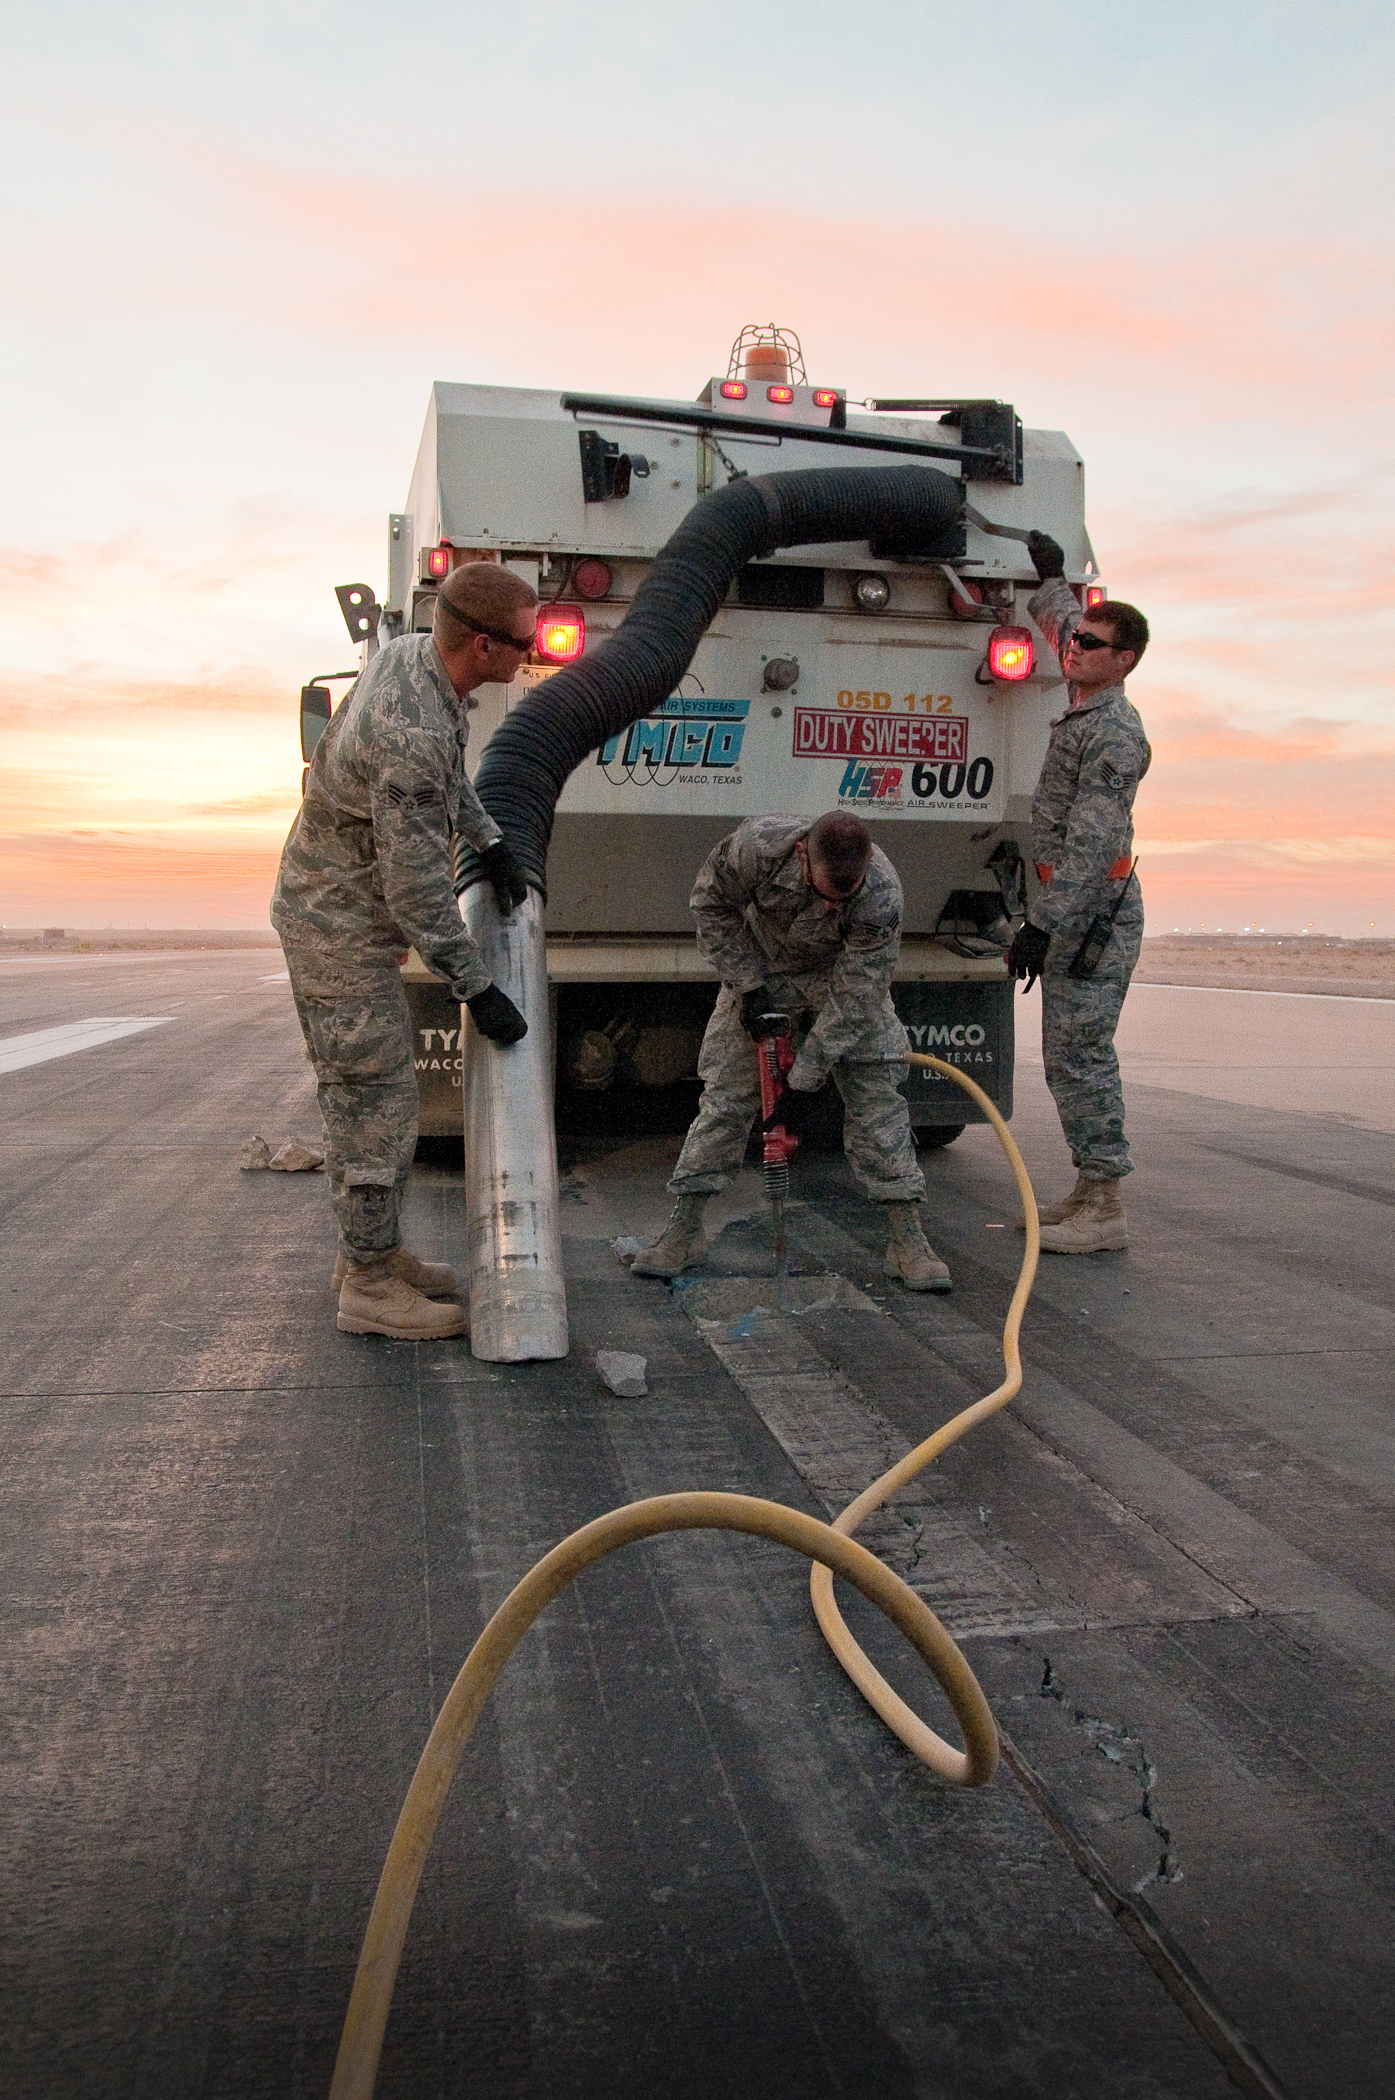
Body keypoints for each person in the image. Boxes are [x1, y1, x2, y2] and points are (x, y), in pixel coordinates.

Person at [272, 562, 536, 1339]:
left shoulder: (414, 660)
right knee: (372, 1109)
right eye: (523, 642)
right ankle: (367, 1286)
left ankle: (377, 1255)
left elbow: (450, 776)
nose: (530, 655)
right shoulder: (411, 728)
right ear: (483, 647)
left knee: (379, 1104)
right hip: (338, 931)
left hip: (339, 912)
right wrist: (475, 987)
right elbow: (417, 890)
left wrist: (488, 839)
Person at [631, 811, 951, 1291]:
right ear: (803, 854)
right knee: (725, 1100)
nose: (830, 906)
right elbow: (709, 904)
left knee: (878, 1100)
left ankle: (907, 1240)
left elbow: (859, 990)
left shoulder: (881, 892)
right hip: (762, 969)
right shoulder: (758, 848)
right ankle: (684, 1228)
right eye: (823, 892)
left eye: (842, 899)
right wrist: (748, 986)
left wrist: (805, 1077)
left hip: (840, 979)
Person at [1007, 535, 1152, 1254]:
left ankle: (1106, 1208)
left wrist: (1041, 924)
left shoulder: (1115, 733)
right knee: (1064, 1055)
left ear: (1121, 661)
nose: (1073, 648)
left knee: (1082, 1053)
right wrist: (1053, 577)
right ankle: (1086, 1189)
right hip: (1068, 913)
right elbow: (1061, 621)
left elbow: (1092, 846)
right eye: (1076, 640)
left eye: (1090, 644)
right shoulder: (1083, 683)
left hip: (1092, 917)